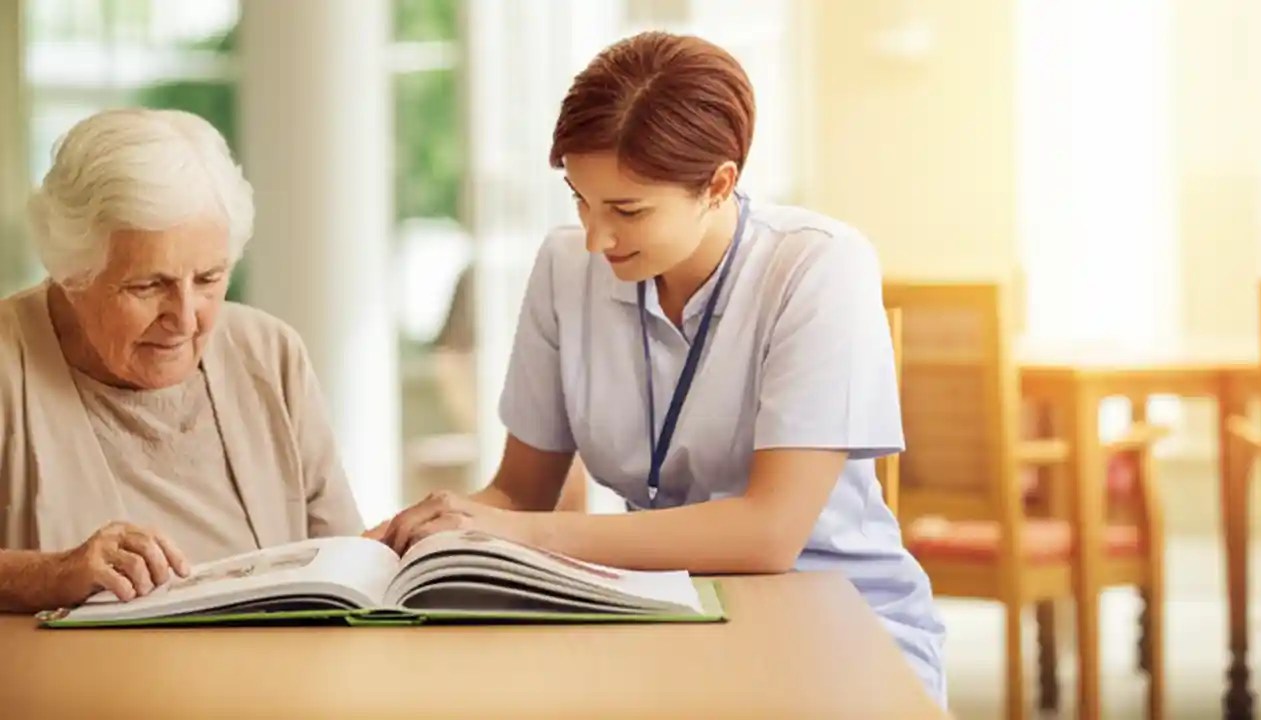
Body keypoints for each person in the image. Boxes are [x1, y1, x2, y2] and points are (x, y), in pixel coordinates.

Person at [373, 31, 946, 702]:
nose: (596, 237)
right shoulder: (565, 268)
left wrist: (521, 536)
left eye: (628, 210)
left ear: (719, 184)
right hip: (661, 613)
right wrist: (408, 539)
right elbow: (519, 494)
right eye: (580, 199)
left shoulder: (817, 265)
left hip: (835, 617)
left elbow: (768, 534)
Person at [0, 108, 364, 613]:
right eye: (149, 285)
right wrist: (50, 574)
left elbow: (347, 567)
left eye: (210, 279)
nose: (187, 319)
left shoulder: (269, 353)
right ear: (72, 273)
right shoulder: (9, 364)